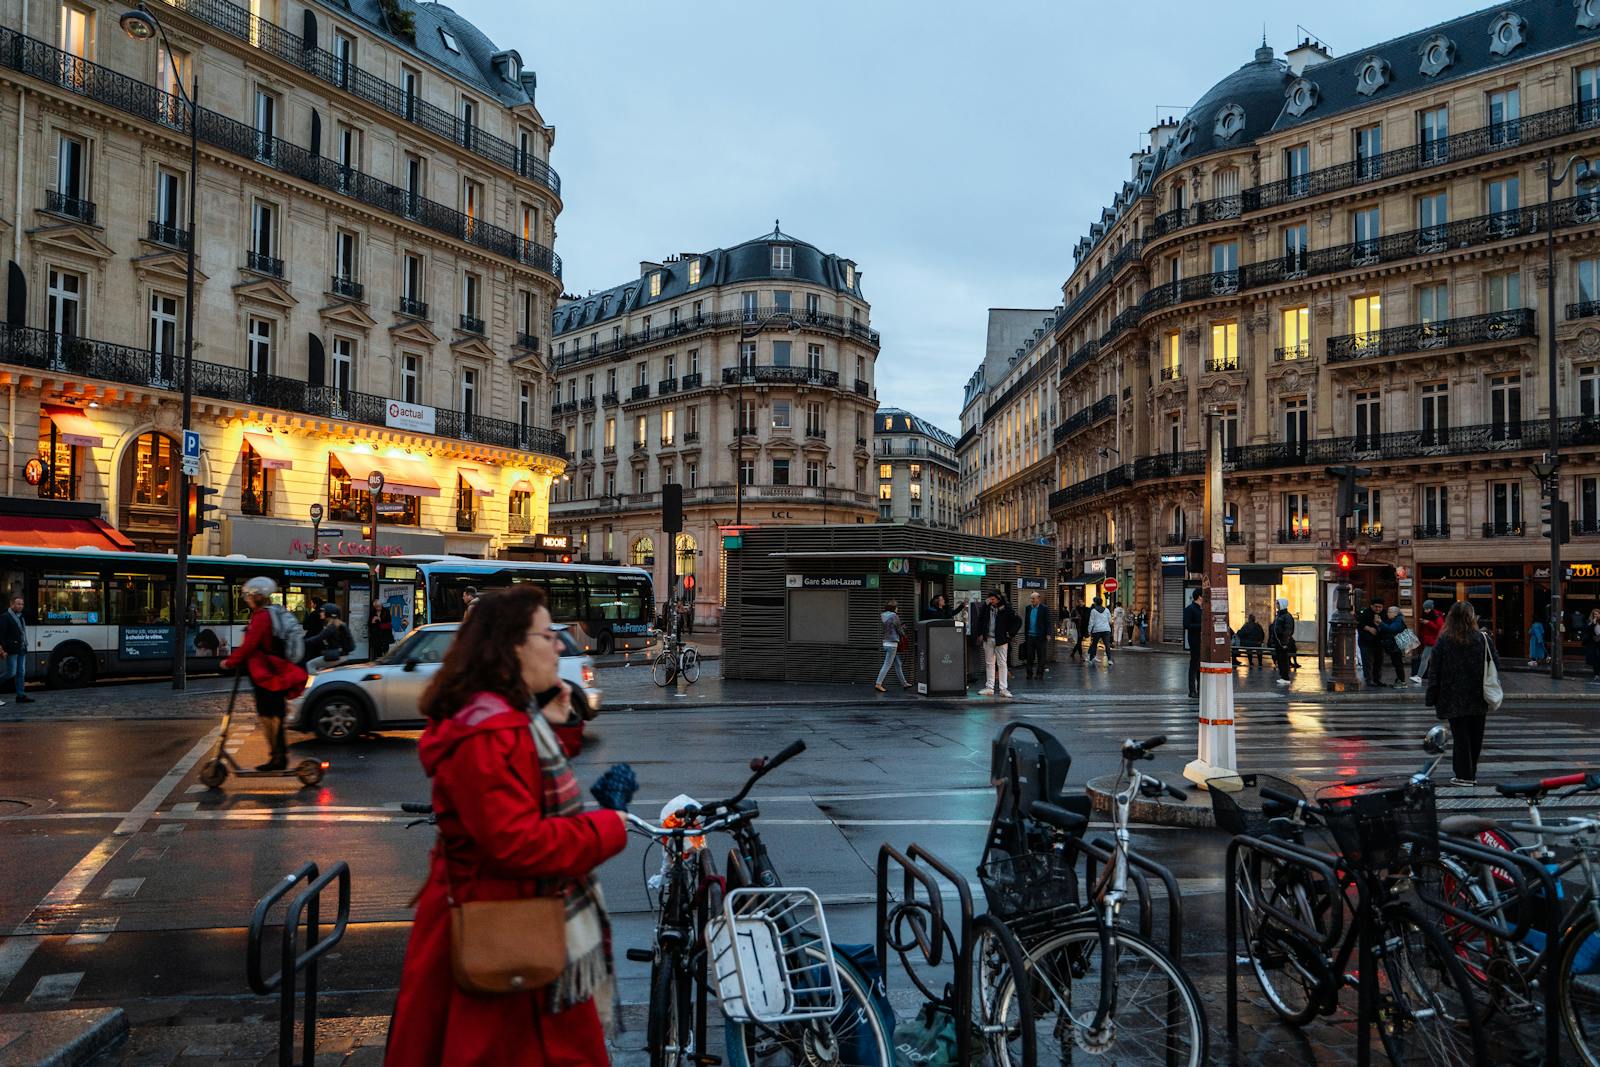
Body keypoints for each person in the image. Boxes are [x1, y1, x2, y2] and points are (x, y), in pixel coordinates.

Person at [384, 584, 631, 1067]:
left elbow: (526, 778)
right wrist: (607, 827)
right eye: (547, 635)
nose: (559, 646)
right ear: (513, 646)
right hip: (501, 930)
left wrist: (555, 724)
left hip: (504, 920)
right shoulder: (491, 729)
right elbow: (517, 843)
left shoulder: (500, 716)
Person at [222, 578, 308, 772]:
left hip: (266, 676)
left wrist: (229, 662)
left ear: (257, 597)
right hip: (271, 673)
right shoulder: (268, 614)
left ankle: (278, 757)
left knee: (270, 715)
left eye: (249, 596)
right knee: (272, 714)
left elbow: (249, 645)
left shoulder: (261, 617)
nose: (247, 599)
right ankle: (278, 756)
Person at [1425, 600, 1501, 786]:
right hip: (1478, 694)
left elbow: (1434, 669)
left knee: (1461, 737)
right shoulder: (1482, 638)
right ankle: (1471, 773)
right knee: (1476, 736)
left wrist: (1432, 696)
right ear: (1471, 617)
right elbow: (1495, 664)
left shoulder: (1444, 640)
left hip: (1452, 695)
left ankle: (1463, 775)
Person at [972, 591, 1019, 698]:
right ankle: (989, 687)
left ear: (998, 599)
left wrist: (1010, 634)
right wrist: (980, 633)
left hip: (1001, 640)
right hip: (988, 638)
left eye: (993, 599)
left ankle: (1003, 689)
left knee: (1002, 663)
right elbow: (981, 620)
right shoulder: (987, 607)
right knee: (989, 663)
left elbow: (1017, 621)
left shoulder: (1006, 608)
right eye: (990, 599)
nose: (991, 601)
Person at [873, 599, 911, 692]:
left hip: (886, 642)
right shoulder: (894, 616)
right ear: (894, 608)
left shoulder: (882, 616)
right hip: (892, 644)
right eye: (896, 607)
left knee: (898, 664)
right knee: (887, 665)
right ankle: (878, 683)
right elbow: (898, 629)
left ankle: (904, 683)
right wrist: (903, 631)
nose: (897, 609)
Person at [304, 605, 356, 673]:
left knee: (310, 664)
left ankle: (316, 683)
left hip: (337, 656)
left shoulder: (332, 626)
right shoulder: (339, 624)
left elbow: (318, 638)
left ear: (329, 613)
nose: (321, 613)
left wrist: (302, 641)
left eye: (323, 612)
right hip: (342, 655)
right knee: (321, 669)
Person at [0, 594, 29, 706]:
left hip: (21, 648)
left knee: (21, 673)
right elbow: (2, 635)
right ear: (12, 604)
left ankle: (20, 696)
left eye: (22, 604)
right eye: (18, 604)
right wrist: (3, 649)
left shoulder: (21, 616)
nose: (21, 606)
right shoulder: (5, 616)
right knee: (11, 672)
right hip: (11, 649)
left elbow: (22, 633)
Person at [1411, 600, 1444, 684]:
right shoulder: (1427, 615)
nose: (1426, 610)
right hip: (1428, 641)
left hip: (1433, 641)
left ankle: (1419, 677)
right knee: (1431, 659)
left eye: (1427, 609)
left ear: (1431, 608)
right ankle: (1433, 676)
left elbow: (1439, 628)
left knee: (1424, 658)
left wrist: (1428, 623)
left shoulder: (1437, 616)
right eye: (1425, 609)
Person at [1021, 591, 1052, 679]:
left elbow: (1048, 622)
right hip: (1030, 636)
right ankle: (1029, 673)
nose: (1032, 600)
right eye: (1031, 598)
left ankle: (1039, 674)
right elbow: (1027, 622)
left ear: (1039, 599)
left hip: (1040, 636)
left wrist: (1048, 633)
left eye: (1033, 598)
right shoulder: (1028, 608)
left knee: (1041, 656)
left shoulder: (1044, 608)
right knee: (1029, 656)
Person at [1378, 605, 1409, 689]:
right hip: (1395, 646)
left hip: (1396, 647)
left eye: (1390, 612)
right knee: (1397, 663)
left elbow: (1391, 629)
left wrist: (1381, 623)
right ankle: (1399, 680)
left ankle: (1402, 682)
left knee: (1398, 664)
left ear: (1395, 613)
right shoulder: (1395, 619)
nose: (1388, 613)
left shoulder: (1398, 621)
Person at [1357, 597, 1385, 686]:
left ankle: (1377, 680)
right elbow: (1359, 624)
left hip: (1379, 642)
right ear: (1371, 606)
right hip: (1366, 642)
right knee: (1367, 662)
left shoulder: (1384, 614)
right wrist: (1368, 628)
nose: (1378, 609)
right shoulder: (1365, 613)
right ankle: (1369, 680)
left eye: (1380, 607)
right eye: (1376, 607)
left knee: (1378, 662)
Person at [1269, 598, 1296, 686]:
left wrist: (1284, 642)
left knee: (1283, 660)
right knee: (1280, 660)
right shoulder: (1279, 615)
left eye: (1277, 604)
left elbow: (1288, 631)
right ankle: (1283, 676)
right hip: (1278, 642)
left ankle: (1285, 677)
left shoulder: (1286, 616)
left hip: (1283, 643)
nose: (1276, 605)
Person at [1182, 588, 1202, 697]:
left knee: (1200, 666)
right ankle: (1192, 690)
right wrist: (1201, 626)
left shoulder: (1201, 609)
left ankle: (1199, 689)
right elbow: (1186, 625)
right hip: (1194, 640)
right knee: (1194, 665)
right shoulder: (1190, 609)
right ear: (1199, 597)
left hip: (1201, 641)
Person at [1086, 596, 1113, 666]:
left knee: (1094, 644)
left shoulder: (1093, 611)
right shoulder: (1107, 610)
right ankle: (1109, 660)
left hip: (1097, 630)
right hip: (1106, 629)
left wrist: (1089, 630)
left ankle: (1092, 658)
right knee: (1107, 645)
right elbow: (1110, 621)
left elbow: (1091, 622)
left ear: (1095, 603)